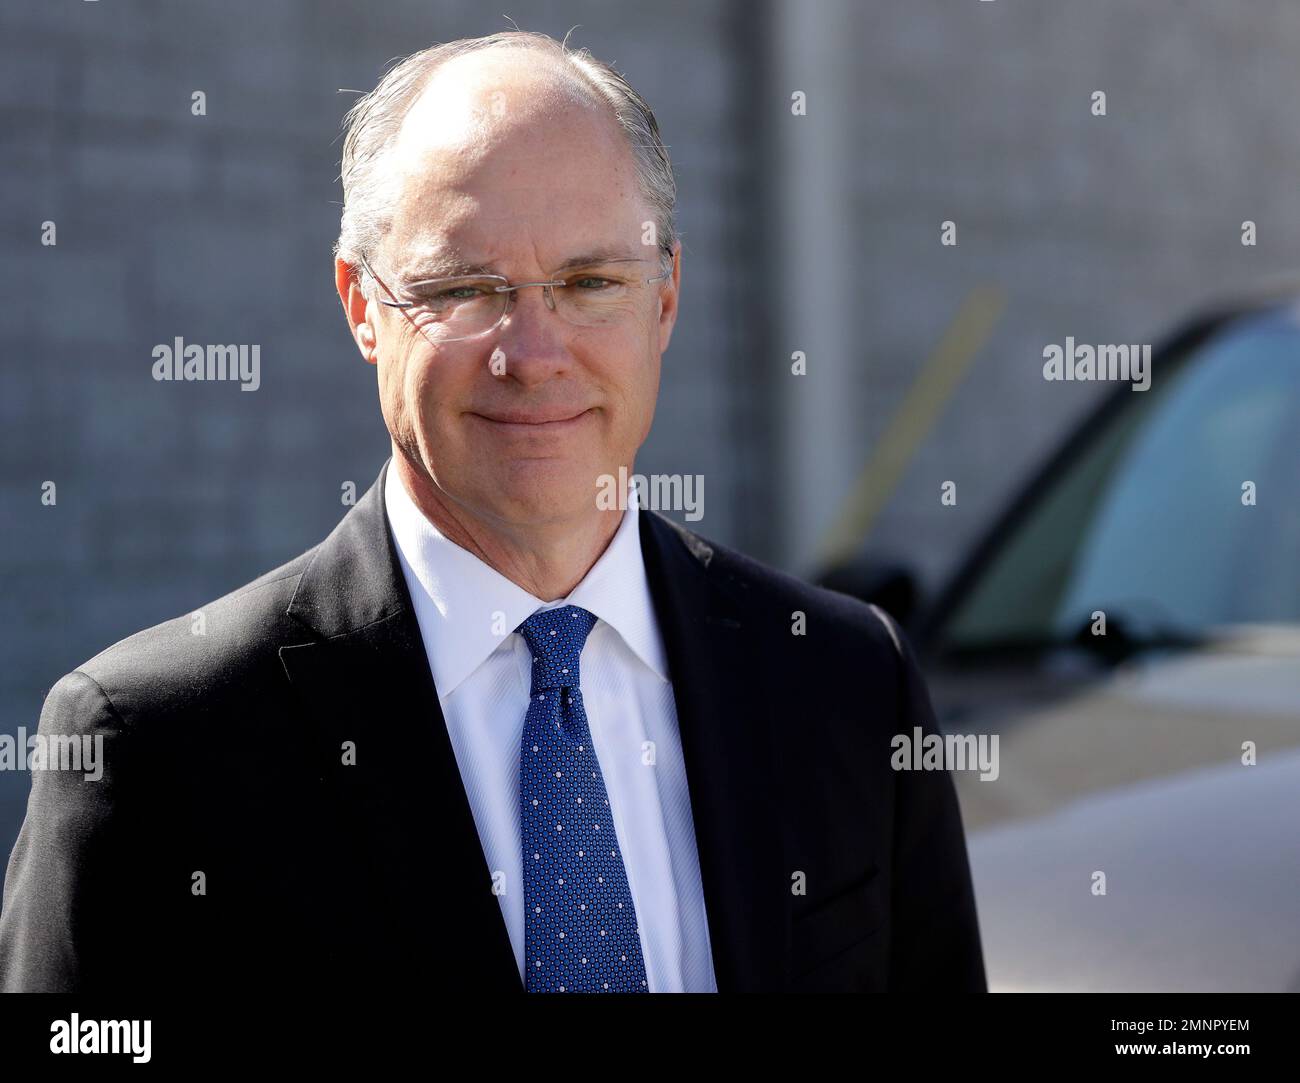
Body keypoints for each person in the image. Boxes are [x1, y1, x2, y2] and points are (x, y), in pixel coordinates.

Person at [0, 30, 984, 993]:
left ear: (666, 300)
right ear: (360, 306)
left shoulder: (850, 683)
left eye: (591, 282)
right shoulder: (160, 745)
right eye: (465, 288)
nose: (533, 352)